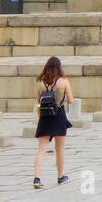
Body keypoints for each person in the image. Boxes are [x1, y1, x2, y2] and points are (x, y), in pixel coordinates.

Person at [32, 56, 74, 190]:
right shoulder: (63, 81)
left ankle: (37, 177)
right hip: (59, 115)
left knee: (41, 149)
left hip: (45, 117)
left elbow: (38, 101)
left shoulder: (39, 82)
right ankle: (60, 176)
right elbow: (71, 100)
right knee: (59, 149)